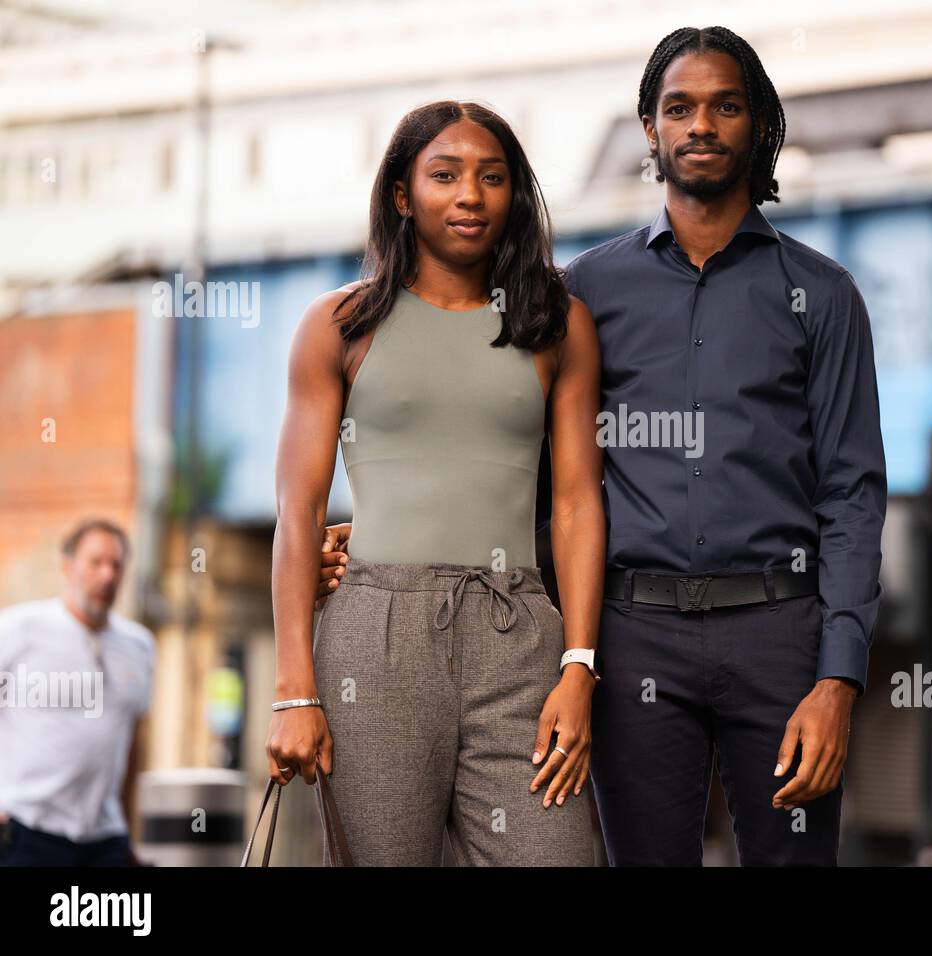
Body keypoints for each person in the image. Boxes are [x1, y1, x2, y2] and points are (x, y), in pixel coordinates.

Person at [320, 26, 887, 866]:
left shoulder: (823, 296)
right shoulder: (578, 297)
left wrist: (837, 680)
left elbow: (851, 495)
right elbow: (523, 470)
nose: (701, 125)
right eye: (679, 108)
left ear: (760, 125)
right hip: (631, 645)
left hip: (782, 640)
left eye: (725, 107)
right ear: (649, 131)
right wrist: (377, 537)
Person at [269, 100, 604, 866]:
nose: (469, 196)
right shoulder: (338, 325)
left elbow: (580, 503)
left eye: (492, 177)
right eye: (444, 175)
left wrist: (580, 666)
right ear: (401, 193)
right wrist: (296, 692)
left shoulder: (557, 323)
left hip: (517, 637)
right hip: (373, 641)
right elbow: (298, 511)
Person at [0, 519, 153, 867]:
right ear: (68, 567)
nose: (107, 575)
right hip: (27, 834)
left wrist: (129, 832)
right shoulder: (18, 630)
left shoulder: (139, 645)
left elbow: (133, 743)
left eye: (116, 565)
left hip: (106, 840)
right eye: (96, 562)